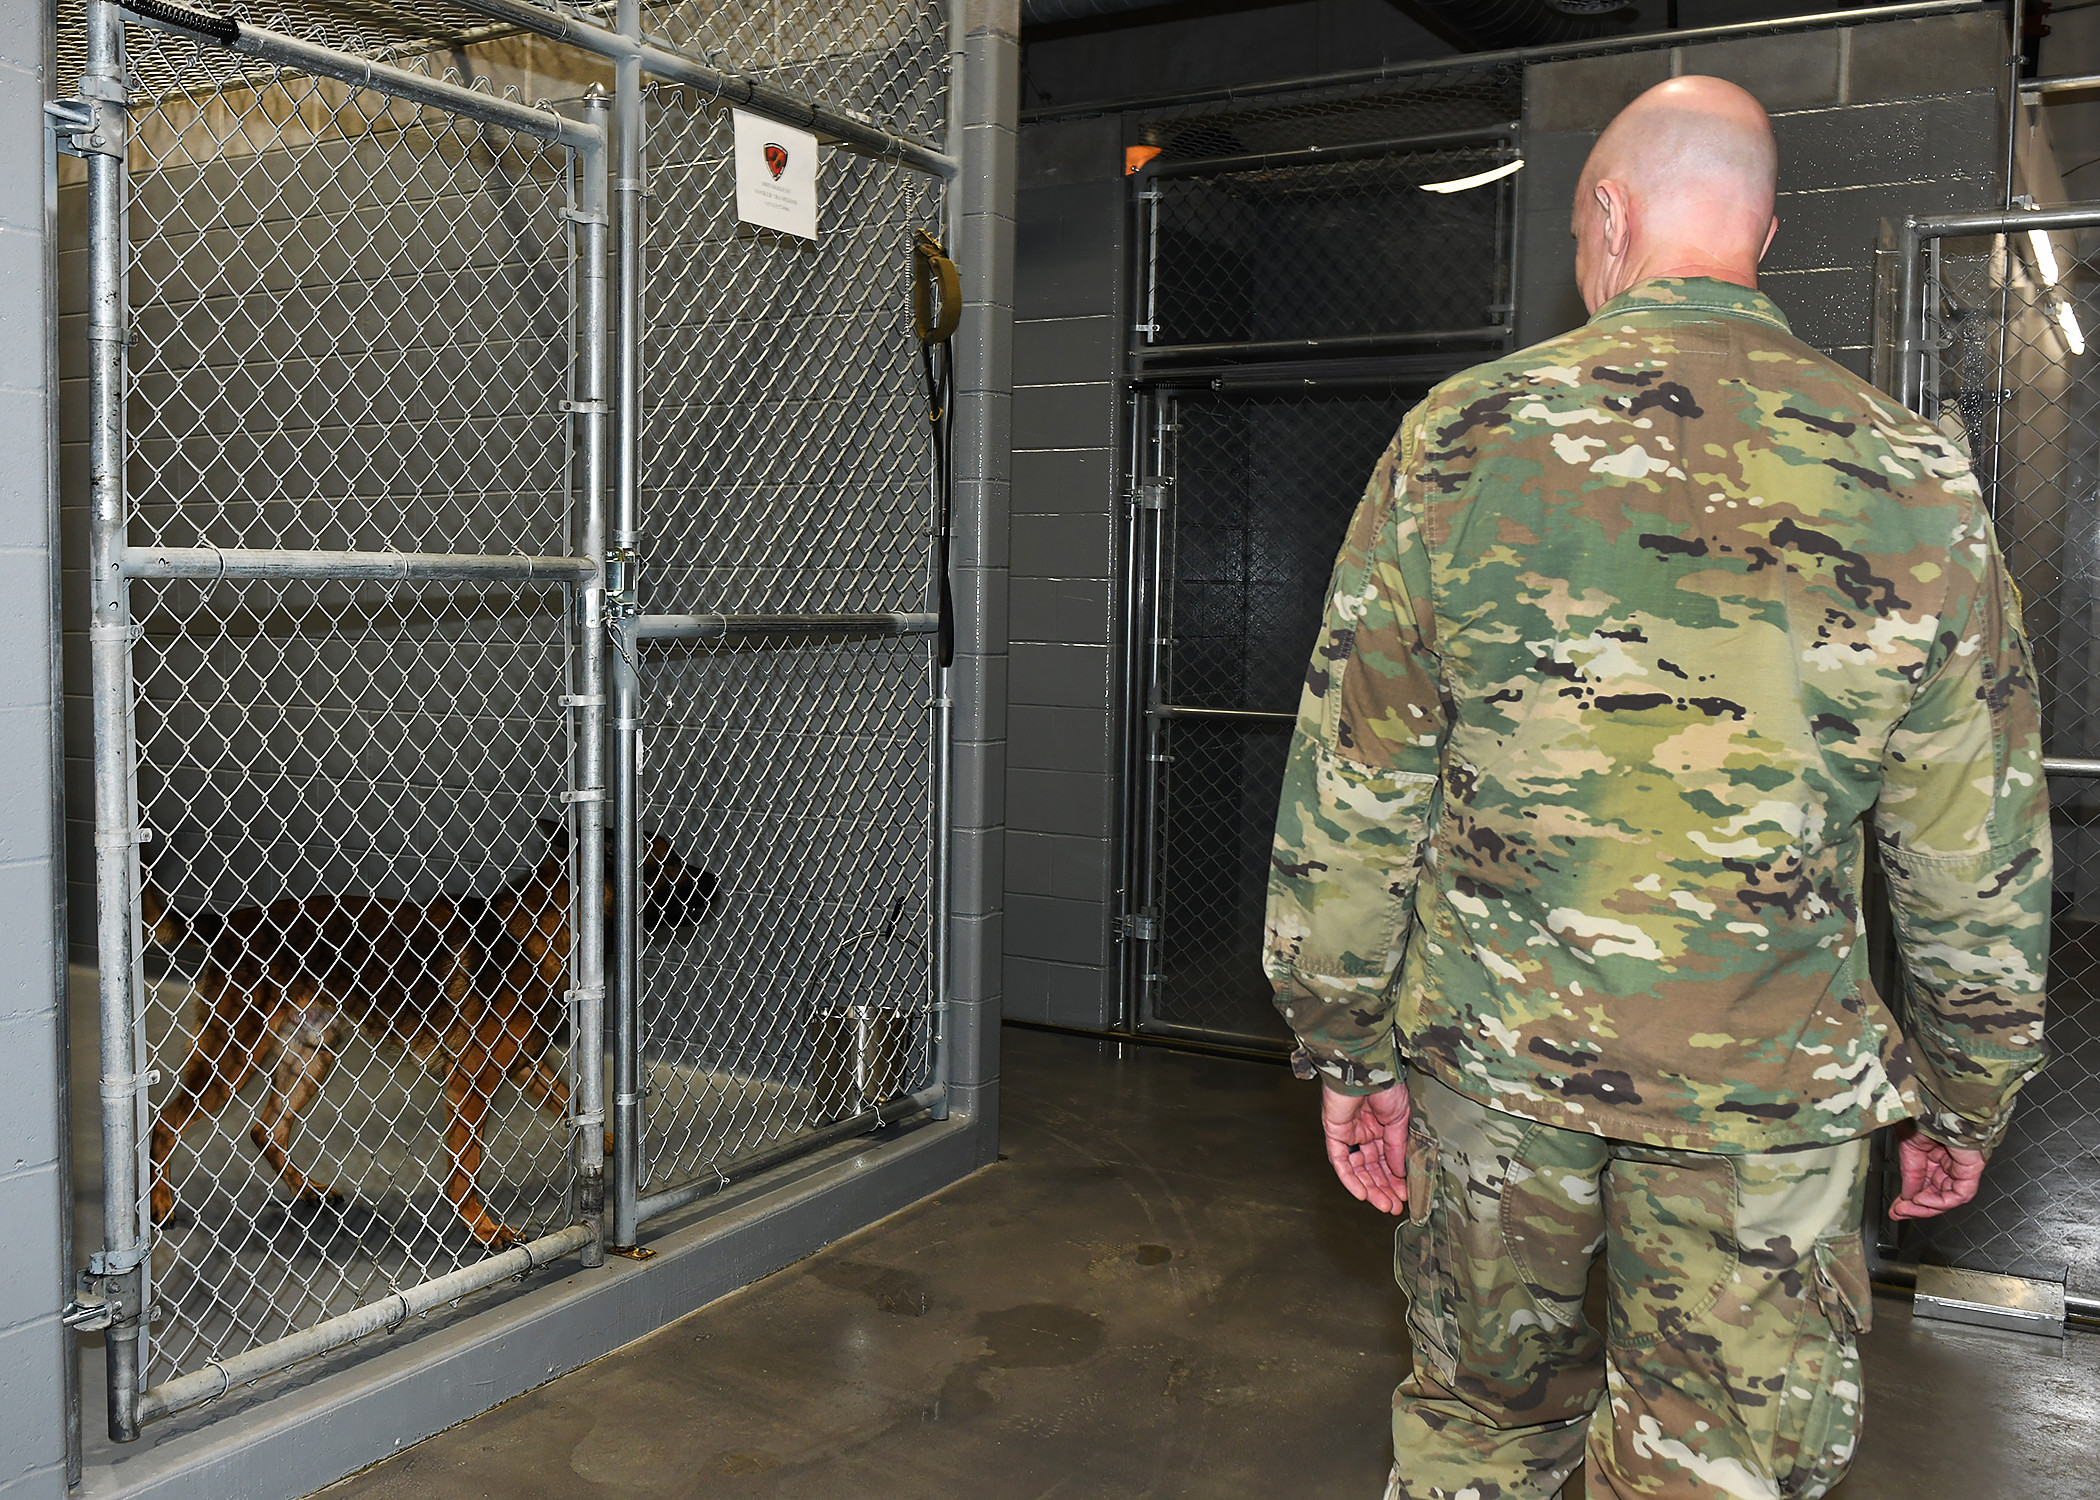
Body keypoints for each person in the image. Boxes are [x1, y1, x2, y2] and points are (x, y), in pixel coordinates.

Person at [1264, 75, 2049, 1500]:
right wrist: (1967, 1091)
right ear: (1762, 224)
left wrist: (1344, 1044)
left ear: (1610, 214)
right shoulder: (1913, 469)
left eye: (1578, 231)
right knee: (1724, 1470)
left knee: (1482, 1426)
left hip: (1492, 1069)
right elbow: (1970, 841)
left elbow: (1358, 784)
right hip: (1768, 1089)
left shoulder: (1459, 440)